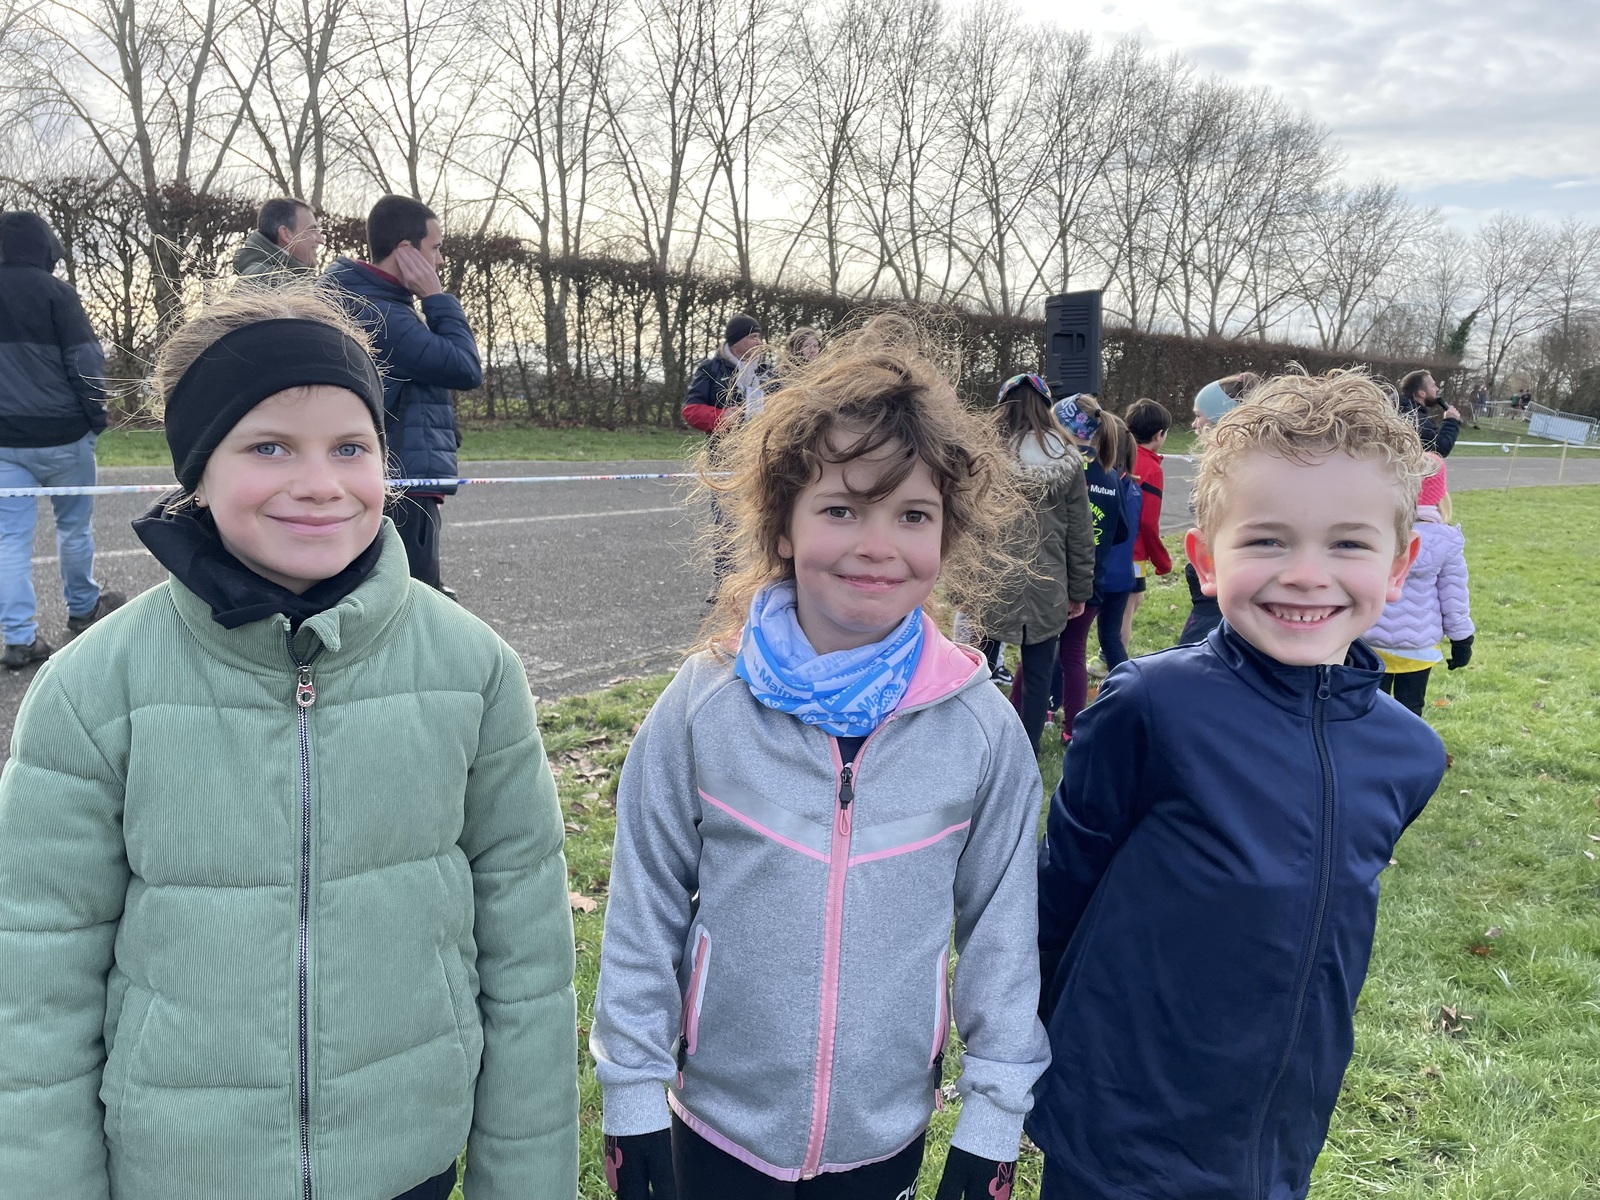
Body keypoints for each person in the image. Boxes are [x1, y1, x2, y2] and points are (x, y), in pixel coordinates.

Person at [0, 285, 578, 1199]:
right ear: (198, 468)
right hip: (178, 1170)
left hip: (407, 1159)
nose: (321, 482)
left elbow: (529, 962)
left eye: (352, 447)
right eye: (269, 446)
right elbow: (33, 988)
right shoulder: (89, 690)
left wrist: (526, 1177)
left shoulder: (474, 670)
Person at [592, 325, 1050, 1200]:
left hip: (883, 1143)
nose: (877, 545)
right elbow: (643, 907)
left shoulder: (984, 730)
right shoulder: (702, 703)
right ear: (785, 527)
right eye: (841, 509)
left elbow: (1003, 936)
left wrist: (993, 1124)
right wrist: (631, 1098)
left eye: (912, 515)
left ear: (947, 534)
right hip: (716, 1132)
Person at [1029, 370, 1446, 1200]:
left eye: (1347, 544)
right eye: (1266, 540)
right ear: (1204, 561)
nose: (1305, 573)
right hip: (1118, 1129)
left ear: (1399, 566)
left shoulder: (1410, 755)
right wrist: (1021, 1061)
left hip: (1275, 1132)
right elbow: (1059, 895)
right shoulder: (1152, 705)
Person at [325, 194, 482, 593]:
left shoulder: (366, 300)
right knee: (414, 599)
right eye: (436, 248)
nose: (441, 261)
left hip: (395, 477)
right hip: (404, 484)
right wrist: (436, 298)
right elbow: (464, 368)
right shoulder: (382, 314)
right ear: (407, 251)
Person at [0, 210, 122, 669]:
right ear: (45, 247)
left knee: (10, 540)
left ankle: (19, 638)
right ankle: (82, 608)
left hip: (6, 442)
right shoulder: (57, 294)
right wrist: (95, 418)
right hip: (66, 434)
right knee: (74, 527)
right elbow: (86, 359)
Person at [980, 373, 1094, 752]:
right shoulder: (1067, 459)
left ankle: (972, 737)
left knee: (975, 667)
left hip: (991, 577)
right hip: (1047, 580)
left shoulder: (984, 459)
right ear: (1047, 408)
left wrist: (964, 581)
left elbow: (969, 524)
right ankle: (1025, 750)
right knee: (1038, 674)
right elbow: (1080, 533)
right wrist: (1079, 589)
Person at [1364, 453, 1473, 715]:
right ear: (1439, 496)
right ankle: (1408, 753)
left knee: (1367, 709)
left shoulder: (1374, 532)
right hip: (1417, 646)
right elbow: (1454, 595)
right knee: (1410, 710)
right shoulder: (1447, 542)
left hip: (1368, 642)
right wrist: (1462, 639)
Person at [1050, 394, 1127, 744]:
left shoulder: (1060, 467)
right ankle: (1072, 730)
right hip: (1094, 580)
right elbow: (1123, 530)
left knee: (1037, 653)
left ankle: (1032, 716)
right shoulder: (1110, 475)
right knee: (1074, 653)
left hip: (1055, 577)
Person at [1178, 375, 1258, 646]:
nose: (1194, 424)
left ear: (1219, 421)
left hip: (1216, 607)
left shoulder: (1234, 477)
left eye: (1199, 416)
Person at [1122, 398, 1172, 652]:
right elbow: (1148, 522)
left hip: (1102, 544)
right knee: (1126, 610)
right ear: (1159, 434)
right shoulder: (1152, 469)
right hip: (1134, 553)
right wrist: (1162, 561)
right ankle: (1108, 661)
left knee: (1136, 598)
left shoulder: (1116, 453)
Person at [1094, 413, 1141, 673]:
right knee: (1111, 638)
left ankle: (1053, 695)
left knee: (1070, 642)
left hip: (1101, 574)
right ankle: (1124, 682)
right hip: (1123, 576)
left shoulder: (1104, 485)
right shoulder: (1133, 488)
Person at [682, 313, 769, 433]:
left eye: (759, 337)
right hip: (724, 448)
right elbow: (691, 410)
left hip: (764, 447)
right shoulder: (711, 369)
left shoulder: (767, 371)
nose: (758, 342)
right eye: (752, 337)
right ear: (735, 342)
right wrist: (721, 416)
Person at [233, 197, 323, 280]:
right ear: (285, 234)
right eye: (312, 229)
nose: (321, 240)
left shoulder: (283, 278)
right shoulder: (268, 281)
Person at [1396, 370, 1460, 457]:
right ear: (1421, 393)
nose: (1437, 389)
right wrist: (1451, 422)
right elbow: (1439, 449)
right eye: (1433, 386)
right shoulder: (1417, 419)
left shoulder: (1399, 409)